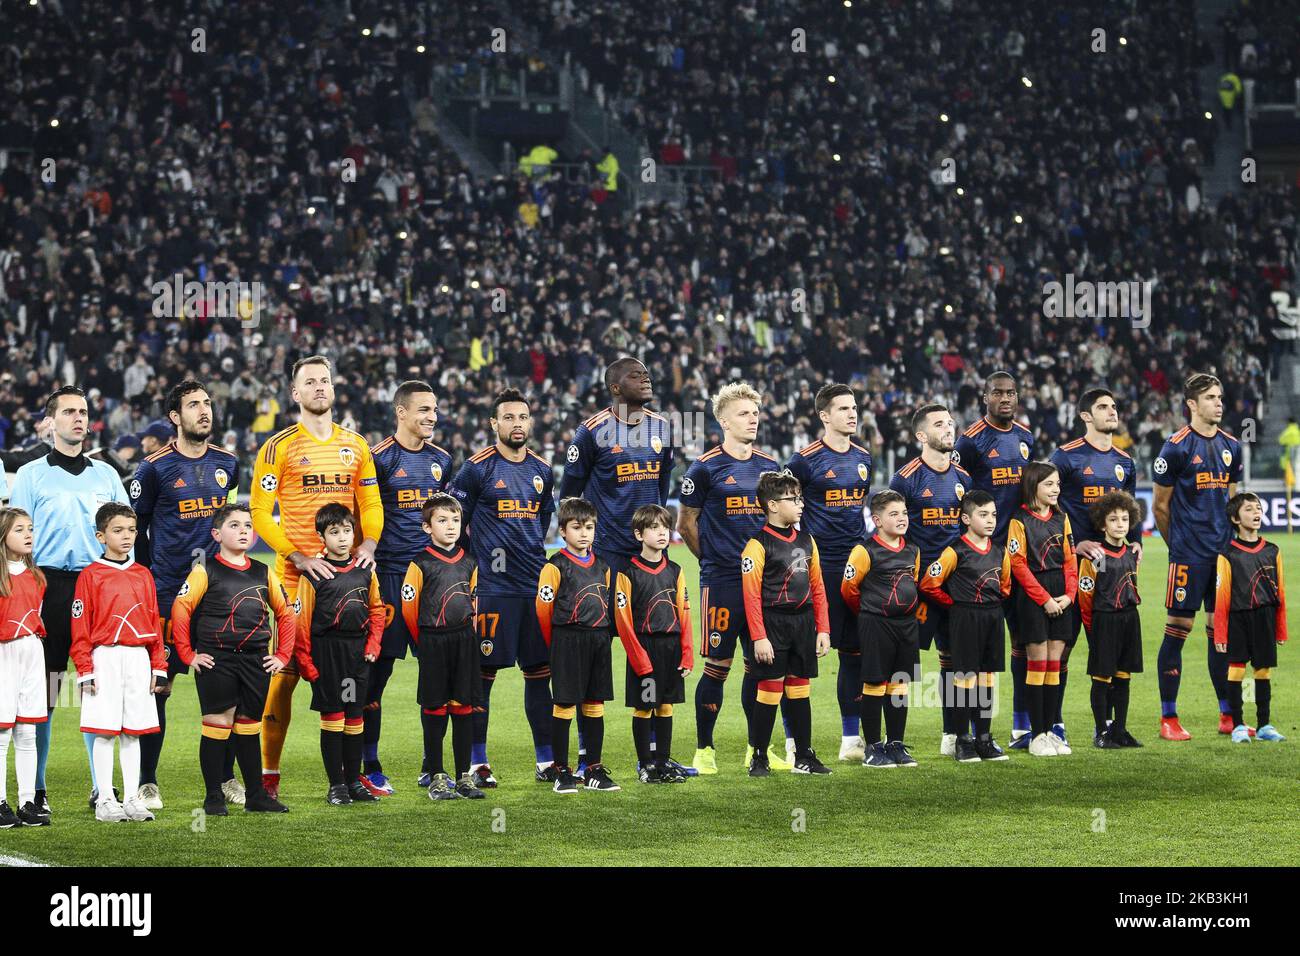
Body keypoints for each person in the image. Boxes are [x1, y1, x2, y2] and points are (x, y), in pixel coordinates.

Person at [250, 355, 383, 800]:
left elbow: (369, 505)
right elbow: (259, 514)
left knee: (354, 677)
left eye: (325, 380)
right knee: (284, 676)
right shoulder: (277, 447)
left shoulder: (356, 445)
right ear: (295, 393)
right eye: (310, 382)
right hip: (295, 582)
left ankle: (350, 776)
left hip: (347, 583)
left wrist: (370, 543)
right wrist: (298, 555)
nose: (319, 387)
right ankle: (268, 776)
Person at [8, 385, 132, 813]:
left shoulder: (107, 476)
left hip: (97, 586)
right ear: (51, 422)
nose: (79, 418)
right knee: (41, 693)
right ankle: (36, 791)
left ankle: (103, 788)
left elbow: (125, 538)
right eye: (69, 412)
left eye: (83, 412)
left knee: (96, 692)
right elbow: (16, 542)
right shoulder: (30, 475)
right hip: (49, 589)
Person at [129, 379, 241, 811]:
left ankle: (226, 779)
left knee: (224, 688)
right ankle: (147, 780)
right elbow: (136, 530)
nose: (204, 411)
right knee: (160, 685)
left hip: (216, 594)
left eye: (207, 403)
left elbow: (229, 521)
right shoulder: (153, 468)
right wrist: (145, 579)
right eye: (194, 405)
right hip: (166, 594)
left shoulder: (228, 463)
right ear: (175, 417)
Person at [559, 358, 675, 774]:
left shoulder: (662, 427)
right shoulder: (590, 433)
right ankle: (587, 758)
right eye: (634, 374)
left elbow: (661, 488)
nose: (645, 377)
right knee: (595, 652)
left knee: (656, 648)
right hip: (606, 558)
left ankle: (655, 758)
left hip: (648, 559)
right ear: (613, 387)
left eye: (647, 372)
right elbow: (570, 496)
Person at [448, 388, 556, 788]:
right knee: (483, 676)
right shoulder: (476, 469)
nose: (516, 424)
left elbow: (542, 523)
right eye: (508, 418)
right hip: (493, 588)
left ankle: (546, 761)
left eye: (522, 417)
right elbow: (454, 518)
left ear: (530, 422)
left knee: (539, 674)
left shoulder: (542, 471)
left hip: (534, 586)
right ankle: (478, 763)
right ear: (494, 423)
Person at [679, 382, 786, 774]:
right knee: (717, 666)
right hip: (722, 582)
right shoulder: (705, 467)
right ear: (723, 421)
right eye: (744, 413)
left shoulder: (769, 467)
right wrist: (711, 559)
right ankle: (704, 750)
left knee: (761, 665)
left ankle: (756, 748)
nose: (753, 418)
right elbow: (686, 521)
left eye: (756, 412)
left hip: (764, 583)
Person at [170, 502, 295, 816]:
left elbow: (286, 614)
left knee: (249, 725)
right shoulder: (205, 570)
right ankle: (213, 797)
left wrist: (282, 655)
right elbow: (180, 610)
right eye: (235, 525)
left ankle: (256, 796)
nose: (243, 531)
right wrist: (187, 654)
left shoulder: (262, 571)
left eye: (248, 526)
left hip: (256, 661)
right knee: (218, 724)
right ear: (216, 533)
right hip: (218, 660)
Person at [367, 380, 453, 793]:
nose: (431, 416)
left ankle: (432, 765)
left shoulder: (443, 461)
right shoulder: (378, 459)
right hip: (387, 579)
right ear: (401, 412)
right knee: (375, 675)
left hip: (433, 583)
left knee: (437, 676)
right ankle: (369, 763)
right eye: (423, 409)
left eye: (434, 409)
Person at [784, 383, 873, 763]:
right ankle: (794, 743)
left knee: (853, 655)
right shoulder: (803, 461)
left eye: (854, 408)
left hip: (855, 568)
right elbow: (782, 507)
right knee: (800, 658)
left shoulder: (864, 458)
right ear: (824, 416)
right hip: (815, 568)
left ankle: (851, 739)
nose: (852, 414)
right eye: (843, 409)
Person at [1047, 387, 1140, 750]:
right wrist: (1074, 543)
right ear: (1086, 416)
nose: (1111, 411)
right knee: (1064, 647)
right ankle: (1054, 723)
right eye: (1103, 407)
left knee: (1113, 653)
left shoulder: (1124, 460)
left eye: (1114, 406)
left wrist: (1137, 543)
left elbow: (1129, 509)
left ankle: (1113, 728)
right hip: (1073, 565)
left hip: (1114, 569)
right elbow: (1048, 501)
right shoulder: (1066, 456)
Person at [1151, 373, 1242, 741]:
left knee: (1219, 635)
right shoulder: (1174, 448)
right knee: (1178, 632)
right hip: (1189, 556)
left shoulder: (1232, 446)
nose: (1218, 403)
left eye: (1220, 397)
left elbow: (1232, 501)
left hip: (1223, 557)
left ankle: (1227, 715)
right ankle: (1168, 719)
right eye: (1210, 398)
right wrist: (1180, 548)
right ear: (1192, 404)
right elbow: (1160, 507)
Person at [69, 503, 165, 823]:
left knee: (133, 733)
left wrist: (158, 666)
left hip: (138, 660)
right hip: (105, 658)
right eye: (118, 530)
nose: (127, 536)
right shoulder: (90, 575)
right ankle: (106, 799)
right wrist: (85, 670)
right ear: (101, 536)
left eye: (132, 530)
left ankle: (133, 798)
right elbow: (80, 629)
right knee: (105, 732)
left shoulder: (143, 575)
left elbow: (154, 623)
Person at [953, 372, 1033, 748]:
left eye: (1011, 392)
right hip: (979, 559)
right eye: (998, 392)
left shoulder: (1026, 439)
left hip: (1015, 556)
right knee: (970, 653)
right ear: (985, 397)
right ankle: (960, 734)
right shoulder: (969, 442)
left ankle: (1020, 726)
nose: (1005, 398)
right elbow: (959, 496)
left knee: (1020, 640)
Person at [888, 403, 970, 757]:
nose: (949, 428)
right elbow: (892, 532)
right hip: (917, 585)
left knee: (956, 659)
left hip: (957, 583)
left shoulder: (964, 479)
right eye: (940, 424)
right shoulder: (905, 478)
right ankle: (892, 741)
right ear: (922, 435)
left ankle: (953, 736)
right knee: (902, 662)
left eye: (951, 423)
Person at [294, 503, 386, 806]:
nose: (343, 538)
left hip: (357, 652)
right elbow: (301, 621)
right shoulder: (313, 575)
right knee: (333, 718)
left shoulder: (365, 571)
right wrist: (306, 662)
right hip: (327, 652)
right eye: (335, 532)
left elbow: (376, 610)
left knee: (355, 718)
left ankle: (353, 782)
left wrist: (373, 645)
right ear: (322, 536)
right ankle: (336, 785)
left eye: (348, 530)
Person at [741, 471, 832, 777]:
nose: (800, 504)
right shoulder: (757, 545)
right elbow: (751, 596)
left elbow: (818, 588)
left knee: (800, 690)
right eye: (793, 499)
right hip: (773, 623)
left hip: (804, 622)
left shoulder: (808, 540)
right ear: (772, 506)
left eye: (800, 498)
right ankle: (759, 756)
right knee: (768, 690)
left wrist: (823, 629)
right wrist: (759, 637)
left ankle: (804, 755)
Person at [401, 493, 485, 801]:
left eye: (456, 520)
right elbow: (409, 606)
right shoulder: (420, 563)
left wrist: (471, 637)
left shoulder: (469, 561)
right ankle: (436, 775)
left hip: (464, 641)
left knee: (463, 707)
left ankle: (464, 776)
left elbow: (474, 603)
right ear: (426, 527)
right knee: (435, 707)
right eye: (442, 521)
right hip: (433, 642)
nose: (450, 526)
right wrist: (423, 641)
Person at [920, 490, 1012, 762]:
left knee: (987, 678)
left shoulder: (999, 550)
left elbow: (1005, 585)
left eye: (993, 515)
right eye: (983, 515)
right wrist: (953, 603)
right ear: (965, 518)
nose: (990, 520)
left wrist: (992, 604)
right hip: (964, 618)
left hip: (992, 617)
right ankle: (963, 740)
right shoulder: (955, 551)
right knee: (964, 679)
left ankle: (984, 738)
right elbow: (929, 583)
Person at [536, 498, 617, 794]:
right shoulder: (555, 566)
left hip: (598, 639)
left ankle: (593, 768)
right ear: (563, 531)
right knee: (565, 704)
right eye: (577, 527)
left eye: (589, 527)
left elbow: (607, 604)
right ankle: (561, 771)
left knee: (595, 704)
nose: (584, 533)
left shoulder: (604, 566)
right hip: (567, 639)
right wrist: (557, 642)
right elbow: (543, 609)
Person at [613, 504, 693, 784]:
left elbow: (684, 612)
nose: (662, 533)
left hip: (670, 648)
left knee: (666, 705)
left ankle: (662, 763)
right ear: (639, 534)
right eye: (654, 527)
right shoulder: (628, 572)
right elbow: (622, 621)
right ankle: (646, 765)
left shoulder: (675, 570)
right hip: (644, 648)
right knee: (645, 706)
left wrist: (687, 653)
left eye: (665, 527)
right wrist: (639, 659)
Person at [842, 491, 921, 768]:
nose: (901, 519)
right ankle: (874, 747)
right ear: (876, 520)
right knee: (875, 683)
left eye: (904, 513)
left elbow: (915, 581)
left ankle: (896, 744)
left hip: (907, 626)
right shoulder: (864, 551)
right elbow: (849, 590)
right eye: (893, 514)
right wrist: (870, 612)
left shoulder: (913, 550)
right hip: (876, 624)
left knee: (900, 684)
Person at [1005, 462, 1077, 755]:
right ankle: (1036, 735)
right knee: (1037, 663)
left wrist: (1069, 596)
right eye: (1049, 484)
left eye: (1057, 484)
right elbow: (1018, 565)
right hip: (1033, 597)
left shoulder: (1062, 519)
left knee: (1054, 666)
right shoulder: (1018, 520)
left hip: (1061, 594)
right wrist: (1044, 598)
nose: (1055, 489)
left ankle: (1050, 732)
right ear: (1033, 486)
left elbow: (1071, 561)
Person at [1214, 493, 1288, 743]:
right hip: (1238, 618)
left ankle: (1264, 725)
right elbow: (1221, 596)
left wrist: (1281, 629)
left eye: (1258, 508)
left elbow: (1281, 593)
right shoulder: (1227, 554)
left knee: (1263, 671)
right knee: (1236, 671)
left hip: (1265, 617)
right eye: (1249, 509)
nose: (1256, 513)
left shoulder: (1272, 550)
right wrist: (1220, 633)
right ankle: (1237, 726)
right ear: (1235, 518)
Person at [1077, 491, 1144, 750]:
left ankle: (1120, 729)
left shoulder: (1131, 553)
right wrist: (1093, 629)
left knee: (1124, 675)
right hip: (1104, 619)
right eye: (1113, 520)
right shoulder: (1098, 556)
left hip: (1129, 619)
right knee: (1102, 677)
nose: (1120, 525)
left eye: (1124, 520)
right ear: (1102, 524)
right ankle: (1102, 732)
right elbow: (1086, 595)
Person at [0, 508, 50, 826]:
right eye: (19, 530)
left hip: (32, 650)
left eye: (30, 528)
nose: (28, 534)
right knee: (2, 731)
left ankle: (27, 802)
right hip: (4, 652)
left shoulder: (36, 576)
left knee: (27, 731)